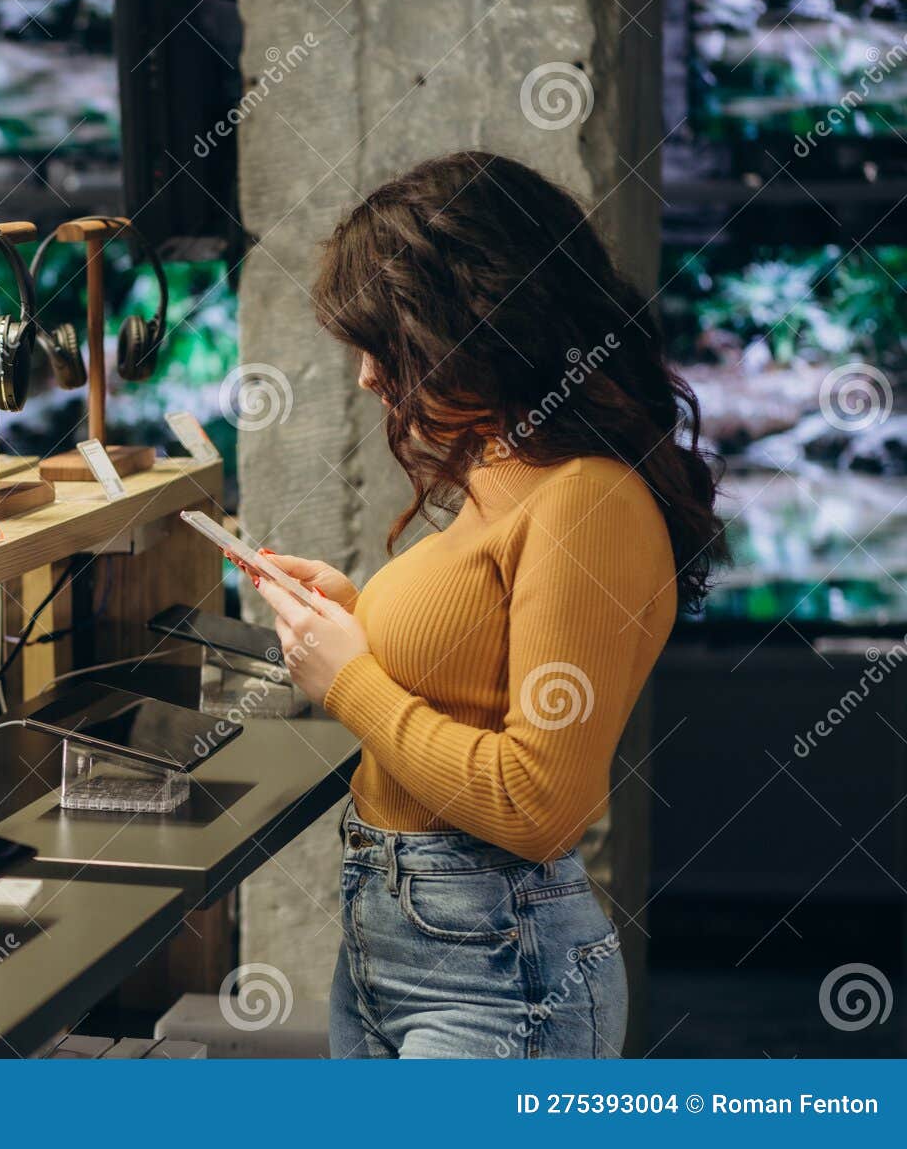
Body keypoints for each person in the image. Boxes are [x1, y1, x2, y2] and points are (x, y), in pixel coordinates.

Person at [247, 151, 725, 1058]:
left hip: (497, 973)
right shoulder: (509, 472)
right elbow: (474, 673)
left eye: (385, 343)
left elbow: (541, 804)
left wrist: (349, 680)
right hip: (393, 942)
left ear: (472, 327)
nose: (367, 376)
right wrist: (357, 620)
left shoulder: (587, 500)